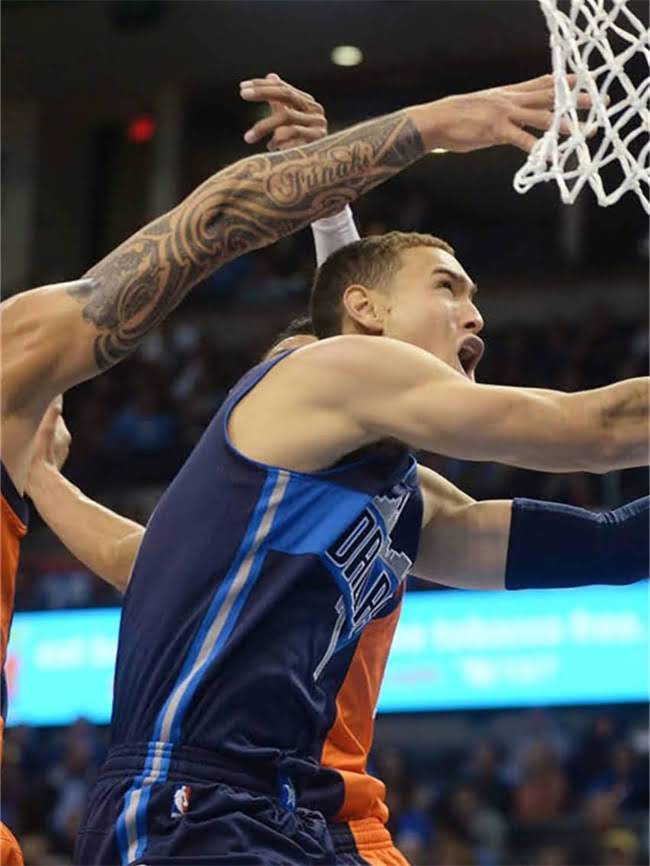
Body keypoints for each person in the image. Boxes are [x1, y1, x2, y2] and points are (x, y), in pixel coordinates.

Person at [27, 94, 649, 866]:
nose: (475, 315)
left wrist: (43, 481)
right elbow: (600, 429)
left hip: (292, 810)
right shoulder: (323, 369)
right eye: (448, 288)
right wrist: (338, 187)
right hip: (194, 805)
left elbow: (605, 546)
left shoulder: (396, 498)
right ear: (362, 316)